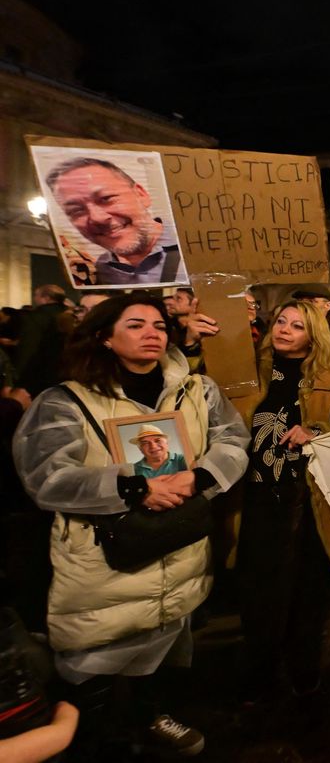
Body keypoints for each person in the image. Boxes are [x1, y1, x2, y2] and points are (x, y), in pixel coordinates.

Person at [13, 293, 248, 758]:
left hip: (178, 546)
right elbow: (47, 475)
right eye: (136, 325)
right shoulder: (66, 401)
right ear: (104, 336)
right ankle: (96, 734)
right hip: (103, 558)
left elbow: (232, 439)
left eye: (159, 325)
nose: (152, 334)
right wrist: (134, 488)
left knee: (165, 636)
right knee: (94, 658)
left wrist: (197, 476)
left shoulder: (197, 391)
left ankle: (153, 715)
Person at [235, 300, 330, 705]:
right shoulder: (249, 373)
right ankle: (259, 670)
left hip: (308, 498)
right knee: (259, 588)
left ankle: (303, 666)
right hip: (259, 497)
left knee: (306, 589)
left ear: (313, 334)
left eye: (297, 325)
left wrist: (317, 431)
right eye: (280, 321)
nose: (284, 330)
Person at [45, 157, 187, 286]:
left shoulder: (194, 247)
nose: (97, 218)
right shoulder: (99, 272)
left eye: (106, 198)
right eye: (76, 210)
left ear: (141, 194)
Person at [11, 285, 75, 403]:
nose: (35, 299)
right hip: (71, 372)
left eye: (36, 295)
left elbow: (28, 347)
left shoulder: (37, 317)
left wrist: (20, 379)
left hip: (41, 373)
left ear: (46, 298)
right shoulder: (72, 315)